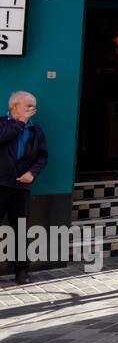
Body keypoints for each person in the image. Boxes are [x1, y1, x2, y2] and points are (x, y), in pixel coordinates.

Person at [1, 91, 47, 285]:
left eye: (33, 106)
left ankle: (21, 271)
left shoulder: (36, 131)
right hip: (0, 184)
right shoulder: (2, 123)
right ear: (14, 107)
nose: (32, 110)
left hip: (21, 187)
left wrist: (32, 173)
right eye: (28, 106)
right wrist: (20, 123)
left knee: (20, 229)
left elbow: (42, 156)